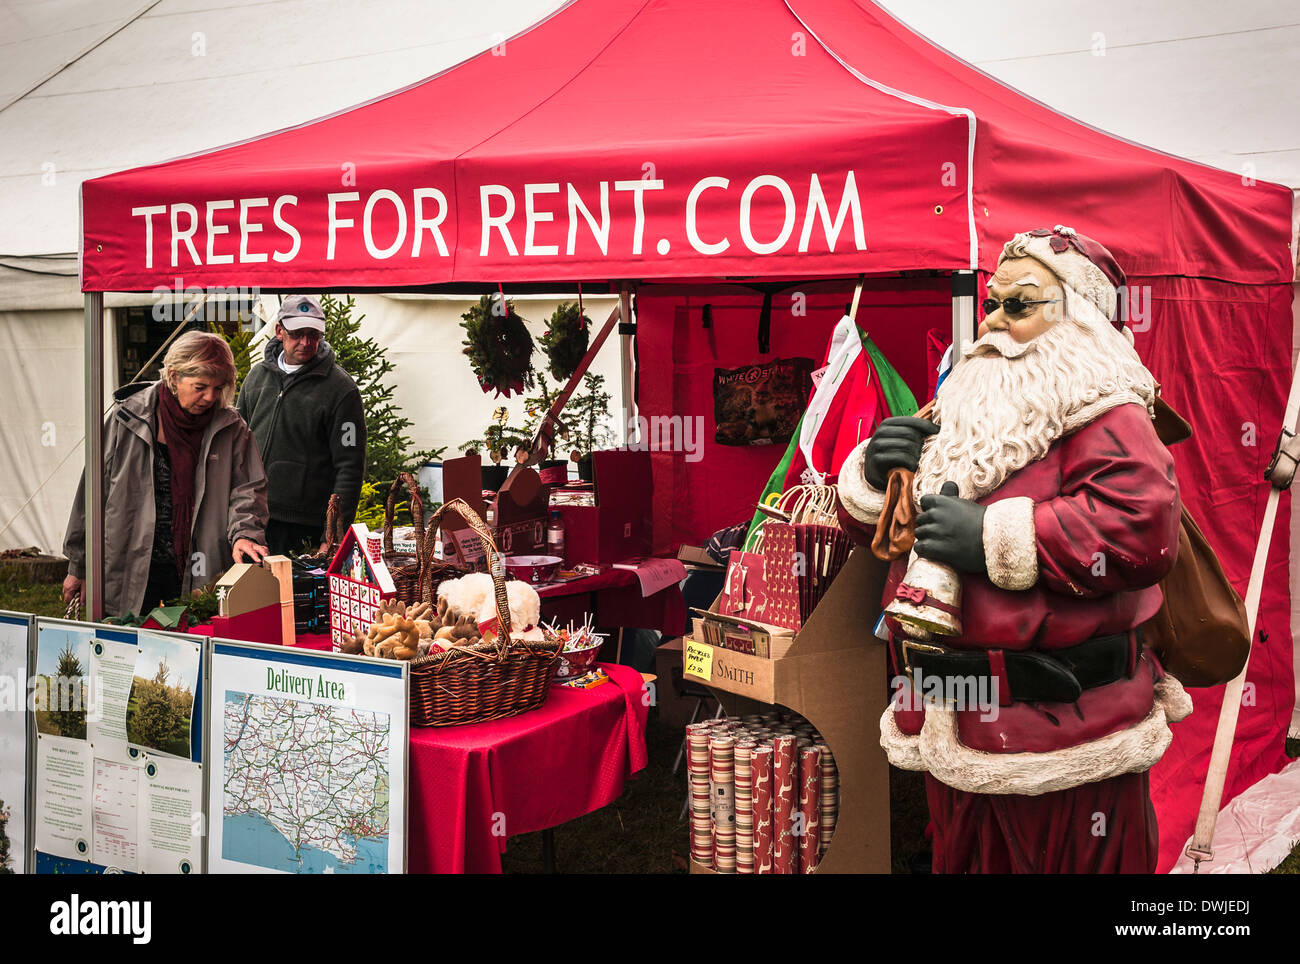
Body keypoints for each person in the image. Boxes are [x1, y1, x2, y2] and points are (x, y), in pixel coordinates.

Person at [837, 226, 1190, 873]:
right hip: (955, 717)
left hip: (1064, 730)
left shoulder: (1108, 413)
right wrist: (875, 476)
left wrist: (993, 538)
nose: (995, 321)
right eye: (993, 304)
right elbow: (886, 531)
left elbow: (1142, 527)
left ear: (1078, 323)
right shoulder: (971, 401)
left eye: (1019, 305)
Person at [63, 331, 269, 617]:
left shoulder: (232, 430)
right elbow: (92, 495)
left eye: (218, 388)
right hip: (130, 567)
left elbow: (248, 491)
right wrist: (79, 566)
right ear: (173, 377)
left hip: (199, 571)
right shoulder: (126, 418)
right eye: (200, 387)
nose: (210, 397)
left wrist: (245, 534)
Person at [237, 295, 366, 556]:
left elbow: (350, 468)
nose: (306, 342)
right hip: (255, 521)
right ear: (279, 331)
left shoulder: (341, 390)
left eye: (313, 334)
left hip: (306, 528)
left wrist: (332, 536)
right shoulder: (256, 379)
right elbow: (236, 449)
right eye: (297, 333)